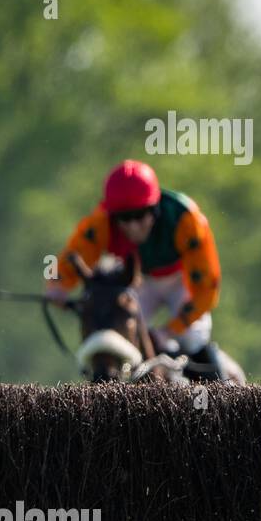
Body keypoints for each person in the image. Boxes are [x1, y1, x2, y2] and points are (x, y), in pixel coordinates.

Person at [46, 160, 226, 378]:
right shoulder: (101, 222)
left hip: (181, 281)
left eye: (140, 215)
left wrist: (169, 330)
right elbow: (63, 260)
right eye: (124, 218)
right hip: (138, 282)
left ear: (155, 208)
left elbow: (207, 289)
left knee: (192, 336)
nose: (132, 226)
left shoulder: (187, 220)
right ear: (113, 215)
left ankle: (221, 393)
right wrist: (56, 285)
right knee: (114, 333)